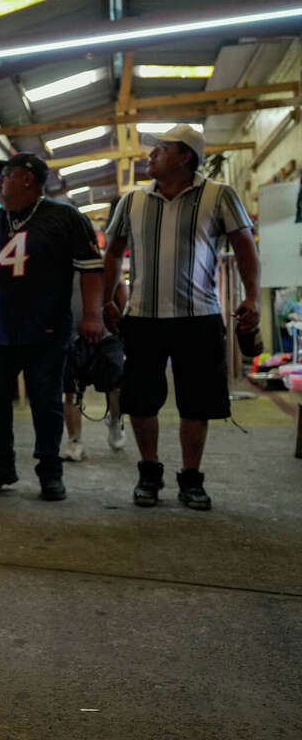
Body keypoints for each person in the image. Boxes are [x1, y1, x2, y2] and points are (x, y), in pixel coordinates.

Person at [103, 124, 260, 510]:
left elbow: (244, 247)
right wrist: (107, 300)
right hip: (143, 317)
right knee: (140, 402)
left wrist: (252, 297)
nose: (151, 155)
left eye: (161, 149)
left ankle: (191, 479)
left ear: (185, 156)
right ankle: (149, 473)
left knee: (197, 403)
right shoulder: (132, 201)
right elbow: (113, 252)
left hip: (198, 316)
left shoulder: (219, 195)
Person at [0, 152, 105, 501]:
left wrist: (93, 315)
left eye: (5, 174)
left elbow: (92, 269)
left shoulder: (65, 218)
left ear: (27, 178)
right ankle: (0, 466)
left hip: (46, 331)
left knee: (46, 404)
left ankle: (50, 472)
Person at [61, 267, 128, 461]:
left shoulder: (104, 263)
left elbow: (121, 287)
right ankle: (75, 441)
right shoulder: (64, 265)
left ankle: (115, 420)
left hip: (107, 334)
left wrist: (123, 323)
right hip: (73, 335)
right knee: (71, 390)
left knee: (116, 382)